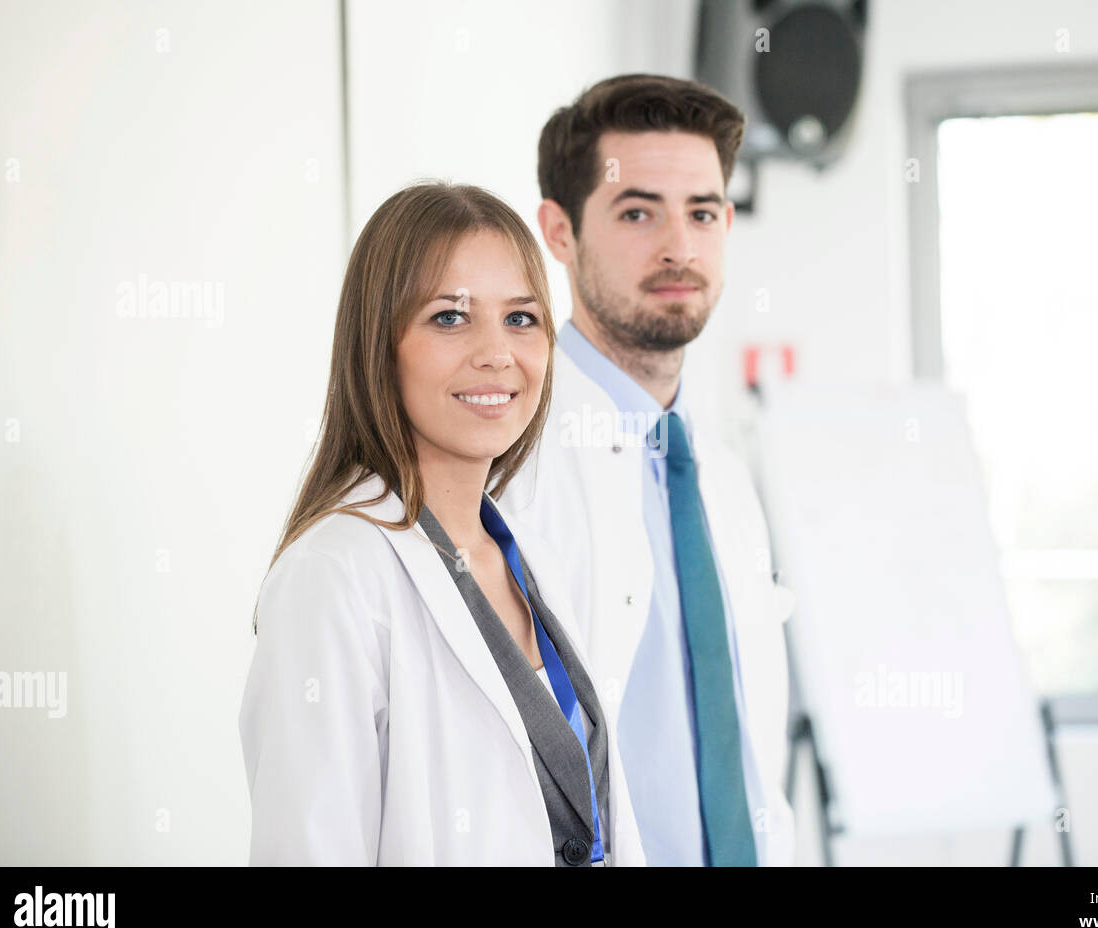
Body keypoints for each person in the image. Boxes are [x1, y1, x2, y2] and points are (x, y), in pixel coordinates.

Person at [239, 181, 644, 866]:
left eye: (521, 319)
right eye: (450, 318)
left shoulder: (531, 555)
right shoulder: (335, 577)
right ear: (380, 345)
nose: (497, 353)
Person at [498, 74, 796, 866]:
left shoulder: (723, 481)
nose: (679, 247)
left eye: (701, 212)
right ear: (559, 232)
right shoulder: (509, 468)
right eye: (637, 212)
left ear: (728, 223)